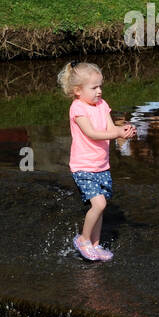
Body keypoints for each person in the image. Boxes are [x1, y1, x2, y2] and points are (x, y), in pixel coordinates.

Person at [59, 61, 136, 262]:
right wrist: (116, 132)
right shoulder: (78, 108)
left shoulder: (102, 105)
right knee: (99, 204)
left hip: (102, 166)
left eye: (100, 86)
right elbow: (92, 133)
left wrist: (124, 132)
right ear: (78, 91)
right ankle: (83, 239)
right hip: (83, 166)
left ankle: (95, 244)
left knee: (101, 207)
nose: (99, 91)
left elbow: (110, 130)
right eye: (94, 88)